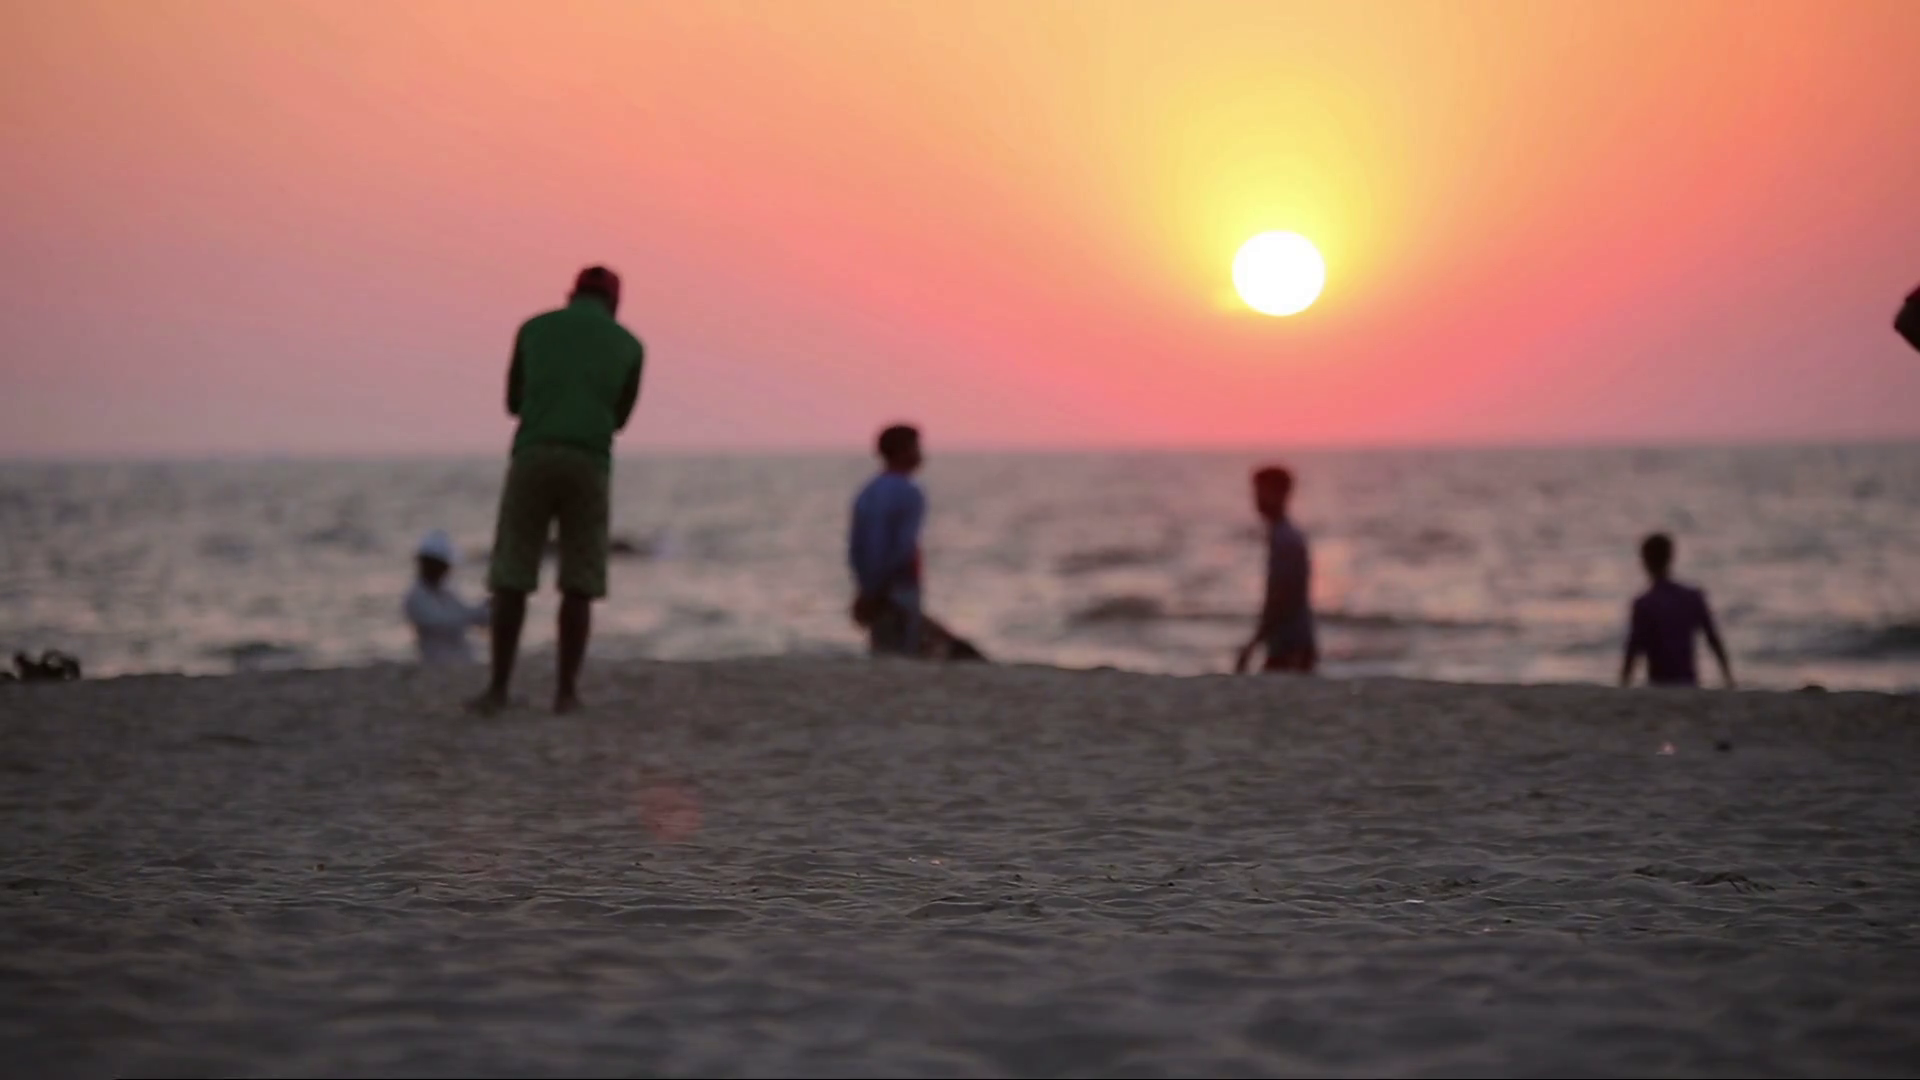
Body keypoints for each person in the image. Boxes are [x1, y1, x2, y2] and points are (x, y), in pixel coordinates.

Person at [470, 266, 645, 714]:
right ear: (615, 302)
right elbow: (620, 419)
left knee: (512, 574)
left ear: (571, 294)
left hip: (533, 454)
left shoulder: (533, 329)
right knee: (579, 579)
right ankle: (566, 692)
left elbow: (513, 402)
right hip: (589, 461)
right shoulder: (629, 345)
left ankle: (498, 689)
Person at [848, 424, 928, 657]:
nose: (921, 454)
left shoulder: (869, 491)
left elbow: (857, 546)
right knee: (903, 652)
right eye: (916, 447)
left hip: (873, 585)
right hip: (898, 587)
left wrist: (866, 588)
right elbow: (901, 546)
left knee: (881, 651)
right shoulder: (909, 492)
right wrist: (879, 588)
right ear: (903, 451)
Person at [1620, 532, 1734, 689]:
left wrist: (1624, 683)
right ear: (1671, 558)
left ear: (1645, 561)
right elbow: (1713, 640)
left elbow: (1633, 650)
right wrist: (1728, 677)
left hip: (1658, 682)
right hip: (1688, 681)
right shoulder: (1693, 597)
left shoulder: (1644, 604)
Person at [1235, 465, 1318, 674]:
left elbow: (1281, 597)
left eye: (1261, 492)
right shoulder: (1283, 536)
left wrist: (1253, 643)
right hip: (1289, 641)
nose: (1256, 499)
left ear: (1280, 494)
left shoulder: (1285, 539)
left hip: (1291, 643)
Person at [403, 528, 489, 665]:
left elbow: (470, 615)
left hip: (463, 660)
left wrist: (490, 607)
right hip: (436, 663)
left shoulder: (446, 594)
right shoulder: (415, 597)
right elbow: (444, 621)